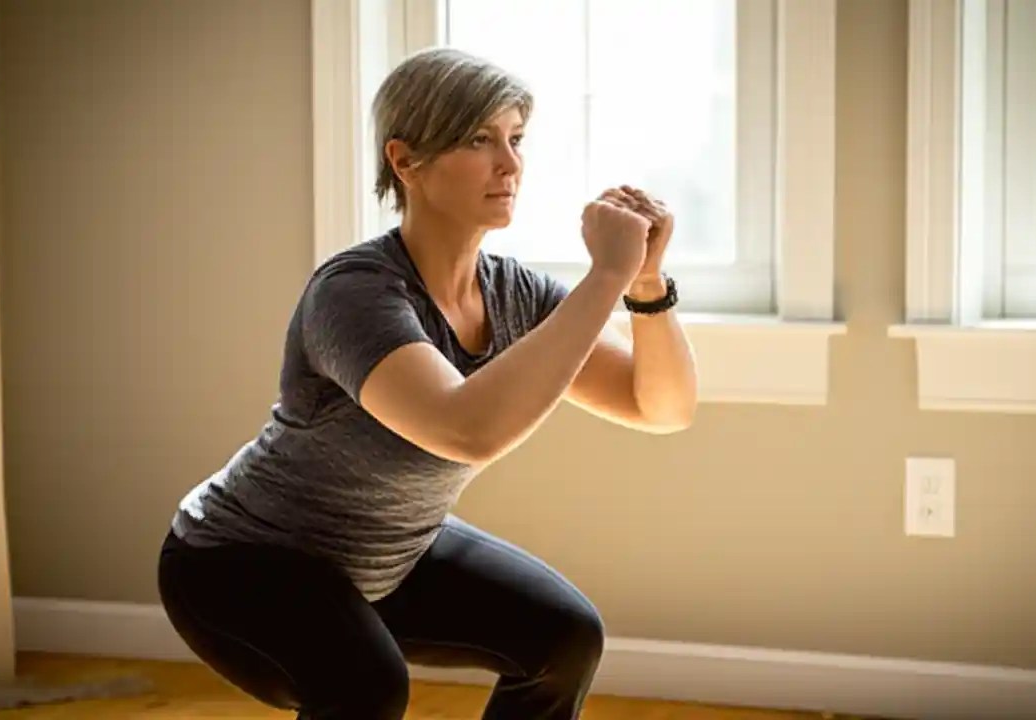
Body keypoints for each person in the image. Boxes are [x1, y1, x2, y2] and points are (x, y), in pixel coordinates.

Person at [156, 46, 698, 720]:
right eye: (479, 139)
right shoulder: (355, 294)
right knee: (366, 685)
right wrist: (605, 278)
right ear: (405, 160)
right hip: (239, 561)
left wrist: (646, 285)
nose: (511, 163)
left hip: (387, 552)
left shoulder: (514, 293)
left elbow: (662, 406)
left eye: (516, 138)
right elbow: (464, 429)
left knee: (564, 637)